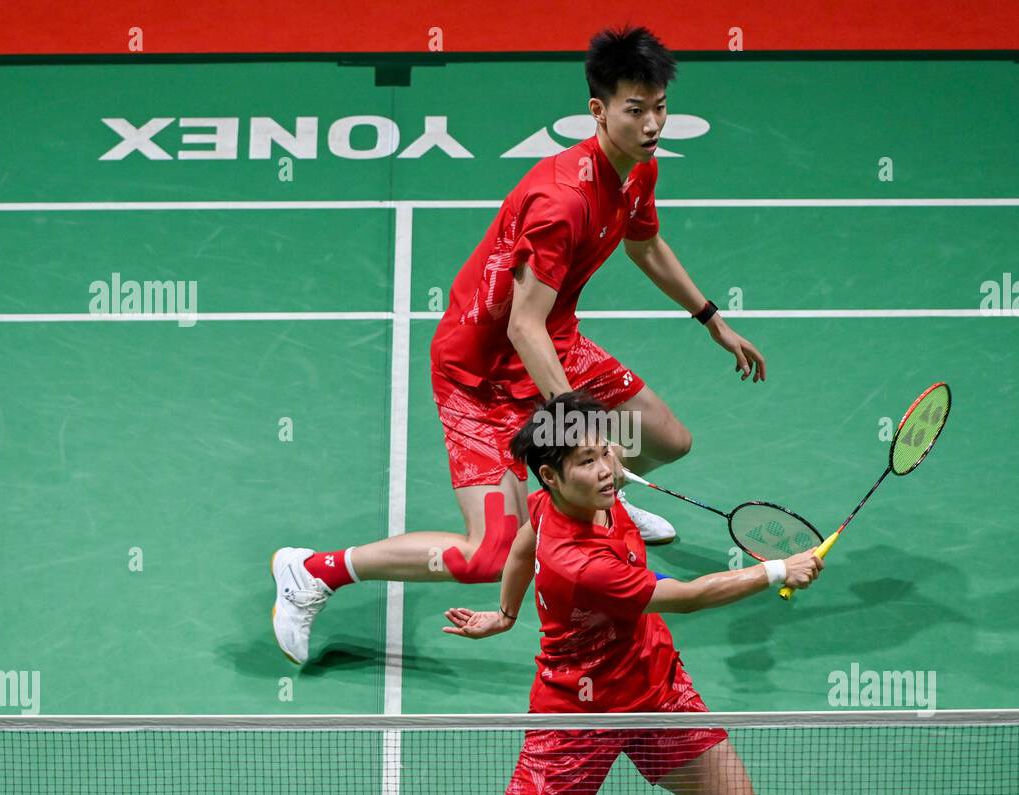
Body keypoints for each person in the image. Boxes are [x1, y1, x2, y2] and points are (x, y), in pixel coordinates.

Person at [270, 25, 769, 665]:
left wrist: (710, 317)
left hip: (552, 341)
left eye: (660, 108)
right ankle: (314, 571)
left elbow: (644, 244)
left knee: (666, 439)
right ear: (599, 111)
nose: (651, 125)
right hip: (477, 371)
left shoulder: (637, 170)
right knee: (487, 556)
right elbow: (519, 327)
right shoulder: (562, 203)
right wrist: (581, 431)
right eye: (634, 110)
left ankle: (594, 492)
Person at [428, 392, 822, 795]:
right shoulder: (578, 564)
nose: (605, 469)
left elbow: (519, 546)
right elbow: (689, 597)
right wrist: (777, 570)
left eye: (605, 451)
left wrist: (507, 614)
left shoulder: (561, 501)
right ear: (551, 477)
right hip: (579, 719)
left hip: (656, 690)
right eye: (586, 461)